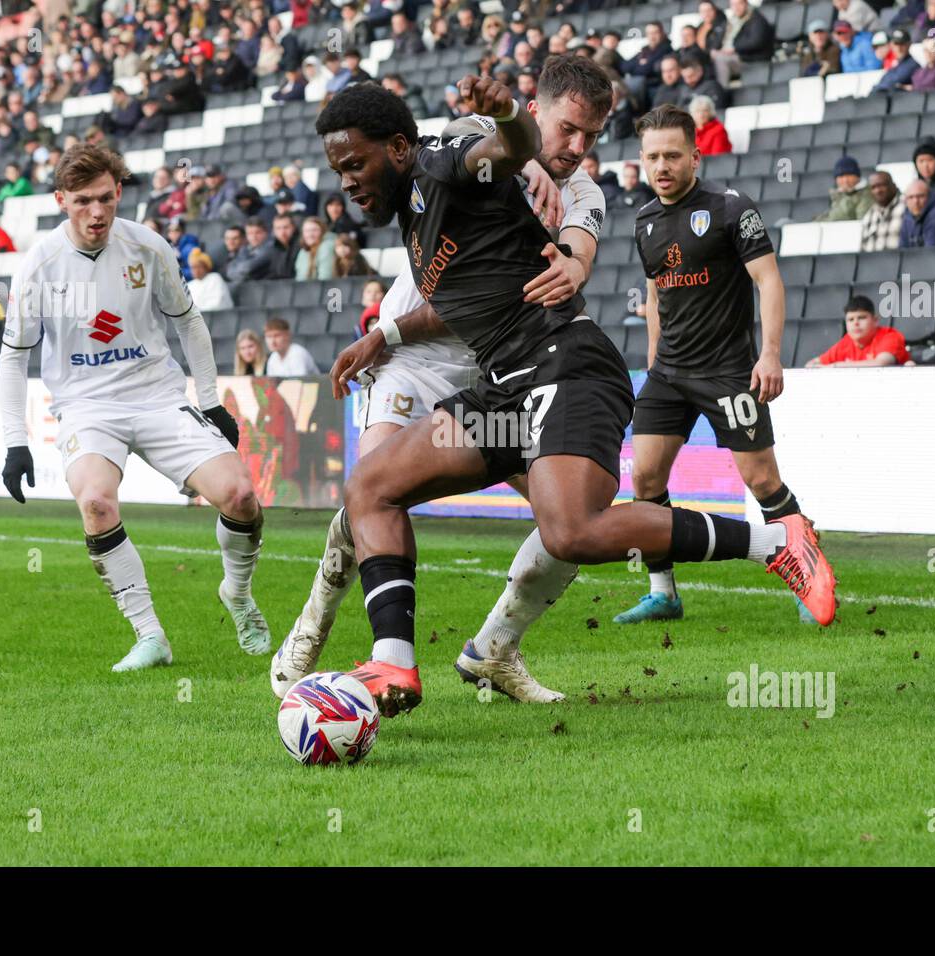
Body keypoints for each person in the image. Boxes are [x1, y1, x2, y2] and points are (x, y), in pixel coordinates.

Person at [306, 83, 836, 716]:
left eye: (354, 165)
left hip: (568, 367)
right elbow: (463, 303)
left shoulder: (441, 154)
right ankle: (393, 666)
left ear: (396, 147)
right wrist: (384, 335)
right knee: (370, 486)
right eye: (339, 171)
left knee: (572, 531)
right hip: (505, 388)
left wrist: (508, 123)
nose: (347, 182)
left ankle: (778, 543)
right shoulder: (417, 207)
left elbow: (509, 150)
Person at [269, 57, 663, 705]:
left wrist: (573, 264)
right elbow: (497, 152)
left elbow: (576, 251)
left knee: (566, 517)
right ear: (538, 108)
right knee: (369, 494)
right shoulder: (466, 136)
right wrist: (383, 335)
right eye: (568, 129)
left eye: (593, 137)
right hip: (415, 357)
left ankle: (495, 649)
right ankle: (313, 629)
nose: (579, 148)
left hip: (502, 367)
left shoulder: (583, 191)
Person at [0, 143, 269, 673]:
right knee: (96, 503)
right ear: (60, 200)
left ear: (119, 192)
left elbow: (188, 321)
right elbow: (14, 357)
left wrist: (209, 402)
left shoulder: (147, 246)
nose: (96, 212)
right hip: (86, 404)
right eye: (82, 202)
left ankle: (236, 594)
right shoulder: (40, 265)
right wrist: (14, 441)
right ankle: (150, 636)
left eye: (105, 198)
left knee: (239, 497)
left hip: (157, 396)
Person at [609, 103, 826, 627]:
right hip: (669, 374)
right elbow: (656, 296)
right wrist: (653, 365)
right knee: (645, 480)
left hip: (729, 371)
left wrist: (770, 354)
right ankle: (664, 593)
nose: (662, 166)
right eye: (653, 156)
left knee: (763, 481)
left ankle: (808, 571)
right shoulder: (643, 222)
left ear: (695, 158)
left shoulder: (731, 208)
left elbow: (769, 281)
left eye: (673, 155)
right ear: (641, 158)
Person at [805, 295, 912, 366]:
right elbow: (812, 364)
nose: (855, 323)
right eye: (850, 319)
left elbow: (881, 364)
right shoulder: (846, 342)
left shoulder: (889, 336)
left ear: (875, 320)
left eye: (861, 317)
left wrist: (837, 366)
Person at [815, 156, 873, 221]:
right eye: (841, 176)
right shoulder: (838, 196)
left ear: (857, 177)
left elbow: (862, 224)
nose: (845, 180)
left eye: (849, 175)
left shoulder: (866, 195)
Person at [860, 171, 906, 251]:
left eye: (882, 185)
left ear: (893, 186)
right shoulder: (868, 216)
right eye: (873, 187)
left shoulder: (907, 208)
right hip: (873, 262)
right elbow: (862, 250)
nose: (878, 190)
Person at [295, 216, 336, 280]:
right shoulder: (303, 251)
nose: (310, 234)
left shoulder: (327, 247)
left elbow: (325, 279)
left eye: (314, 230)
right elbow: (300, 278)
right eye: (307, 231)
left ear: (323, 231)